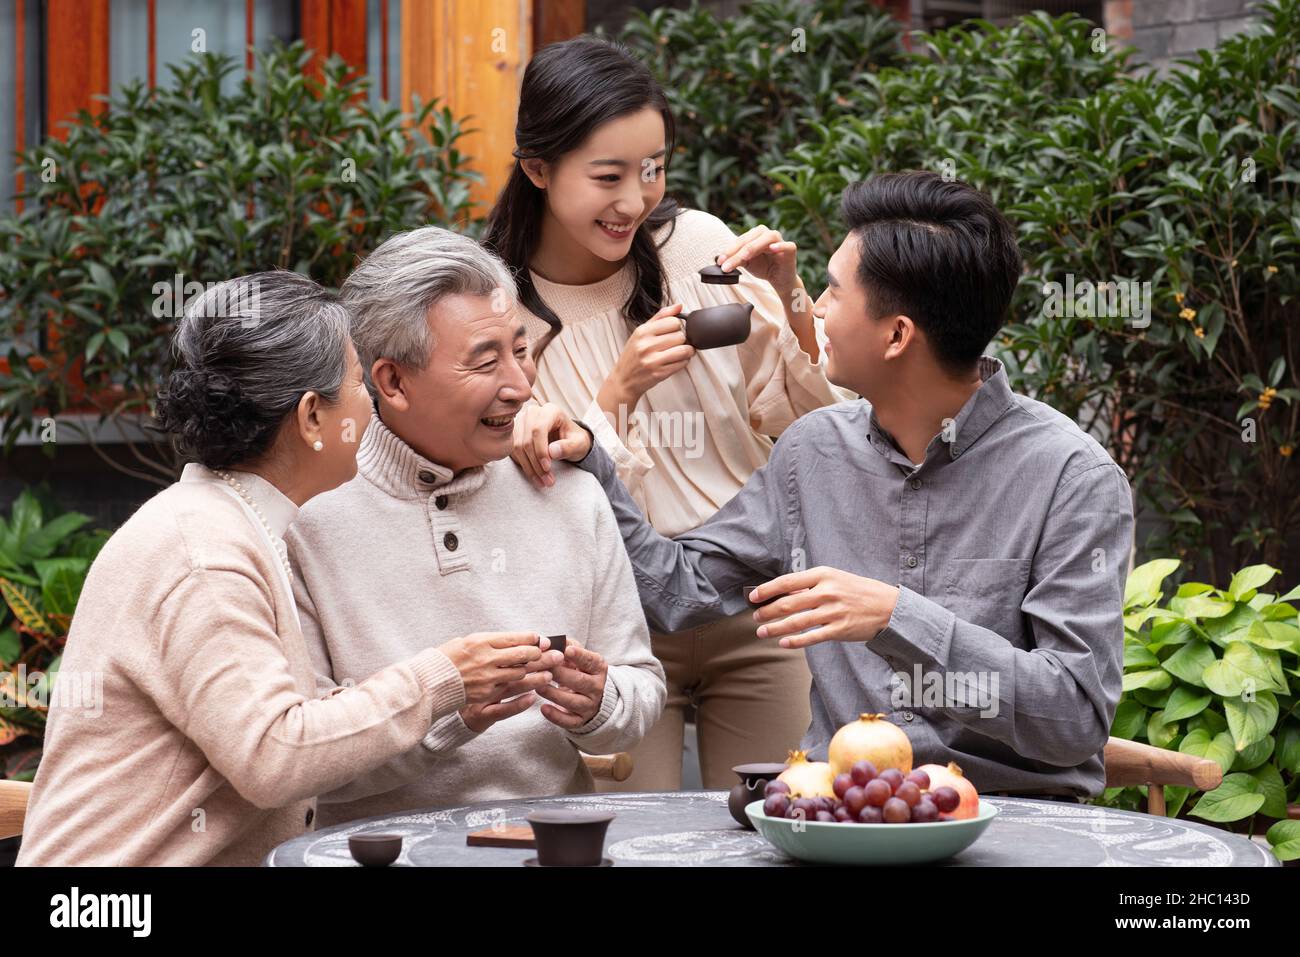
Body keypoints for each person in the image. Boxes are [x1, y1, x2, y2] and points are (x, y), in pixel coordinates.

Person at [530, 172, 1135, 799]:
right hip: (842, 819)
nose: (814, 308)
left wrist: (896, 618)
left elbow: (1073, 721)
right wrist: (594, 460)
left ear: (897, 335)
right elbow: (679, 591)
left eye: (834, 293)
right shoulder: (814, 452)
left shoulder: (1072, 478)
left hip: (1010, 823)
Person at [16, 271, 552, 866]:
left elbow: (289, 745)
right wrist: (440, 678)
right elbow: (275, 756)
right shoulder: (205, 555)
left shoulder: (229, 522)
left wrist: (452, 712)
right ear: (311, 418)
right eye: (356, 384)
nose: (371, 408)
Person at [488, 35, 851, 791]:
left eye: (652, 169)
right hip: (611, 629)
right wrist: (618, 390)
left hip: (754, 603)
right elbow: (541, 497)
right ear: (537, 169)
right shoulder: (499, 311)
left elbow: (814, 420)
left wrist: (789, 296)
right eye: (608, 176)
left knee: (780, 822)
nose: (635, 199)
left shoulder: (697, 248)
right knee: (624, 840)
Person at [283, 226, 665, 827]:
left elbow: (641, 684)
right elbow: (299, 754)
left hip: (551, 846)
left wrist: (600, 703)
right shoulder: (310, 517)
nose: (520, 385)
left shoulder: (570, 492)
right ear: (392, 382)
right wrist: (451, 709)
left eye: (521, 349)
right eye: (486, 362)